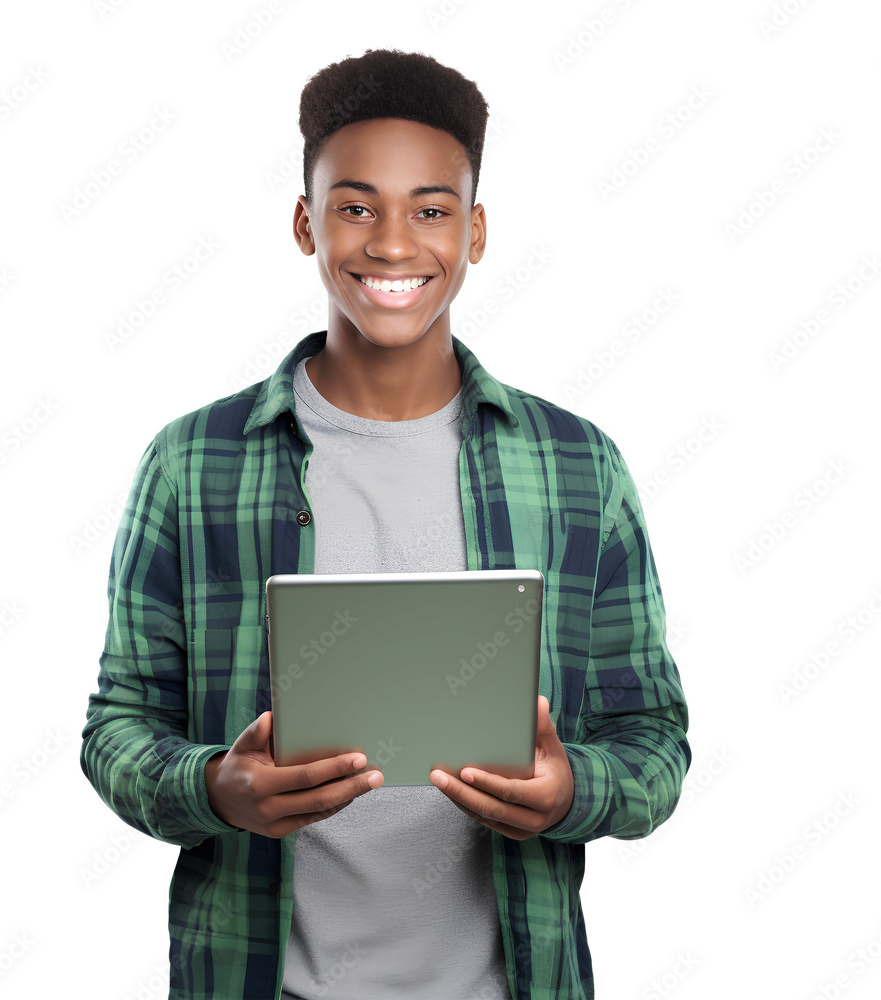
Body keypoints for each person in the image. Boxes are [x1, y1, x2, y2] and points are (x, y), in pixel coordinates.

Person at [80, 47, 691, 1000]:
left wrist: (574, 792)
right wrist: (214, 789)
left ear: (476, 230)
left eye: (431, 210)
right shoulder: (193, 462)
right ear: (304, 222)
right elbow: (119, 725)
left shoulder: (579, 469)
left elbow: (653, 739)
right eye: (356, 206)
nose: (394, 245)